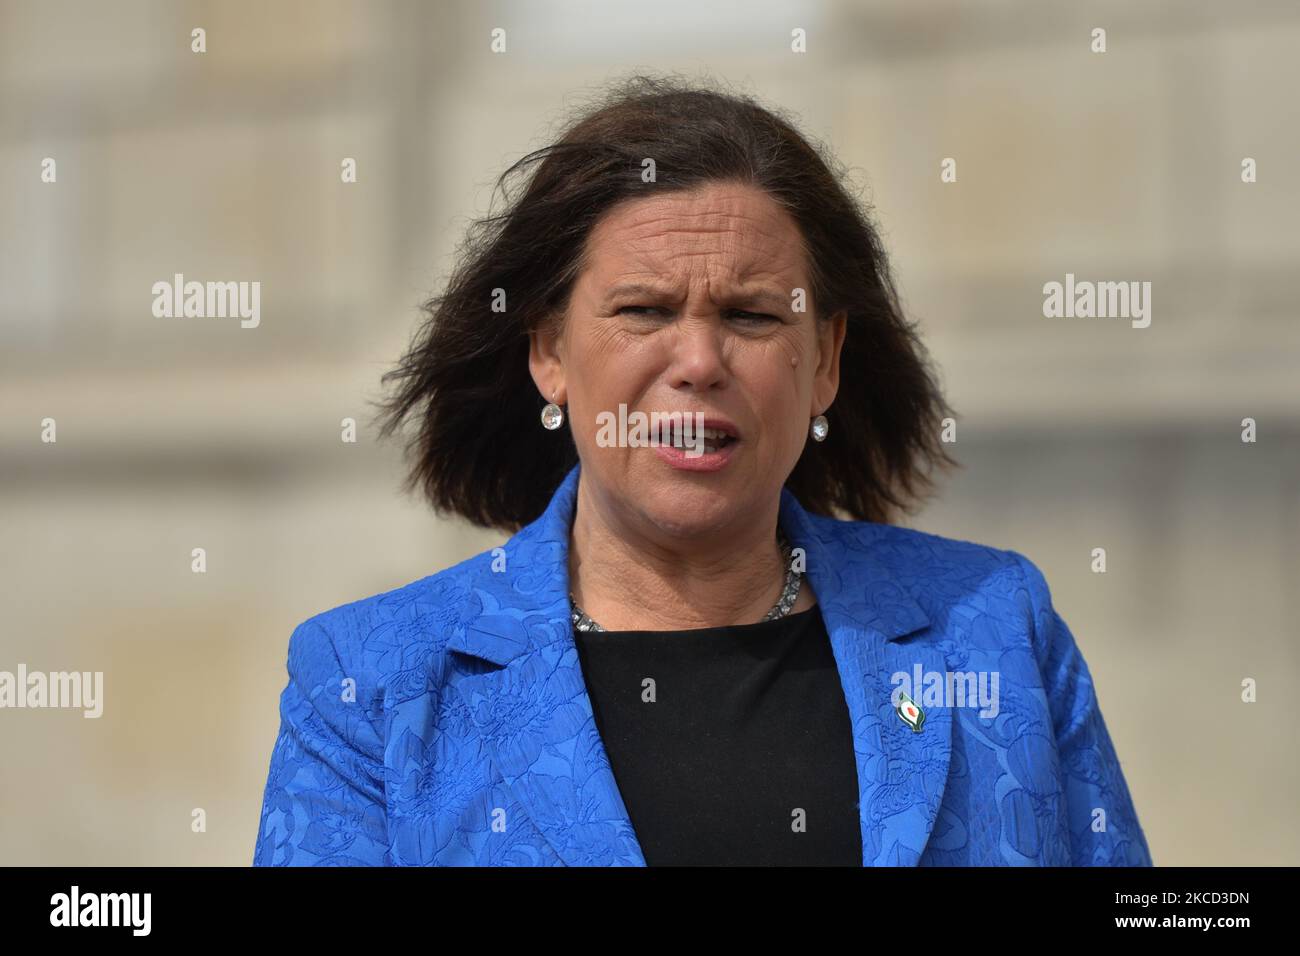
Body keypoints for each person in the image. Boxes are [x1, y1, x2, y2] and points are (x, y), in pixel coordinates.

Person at [253, 75, 1151, 866]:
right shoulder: (370, 683)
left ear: (826, 359)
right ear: (549, 351)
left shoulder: (993, 629)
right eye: (643, 310)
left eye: (753, 316)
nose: (700, 361)